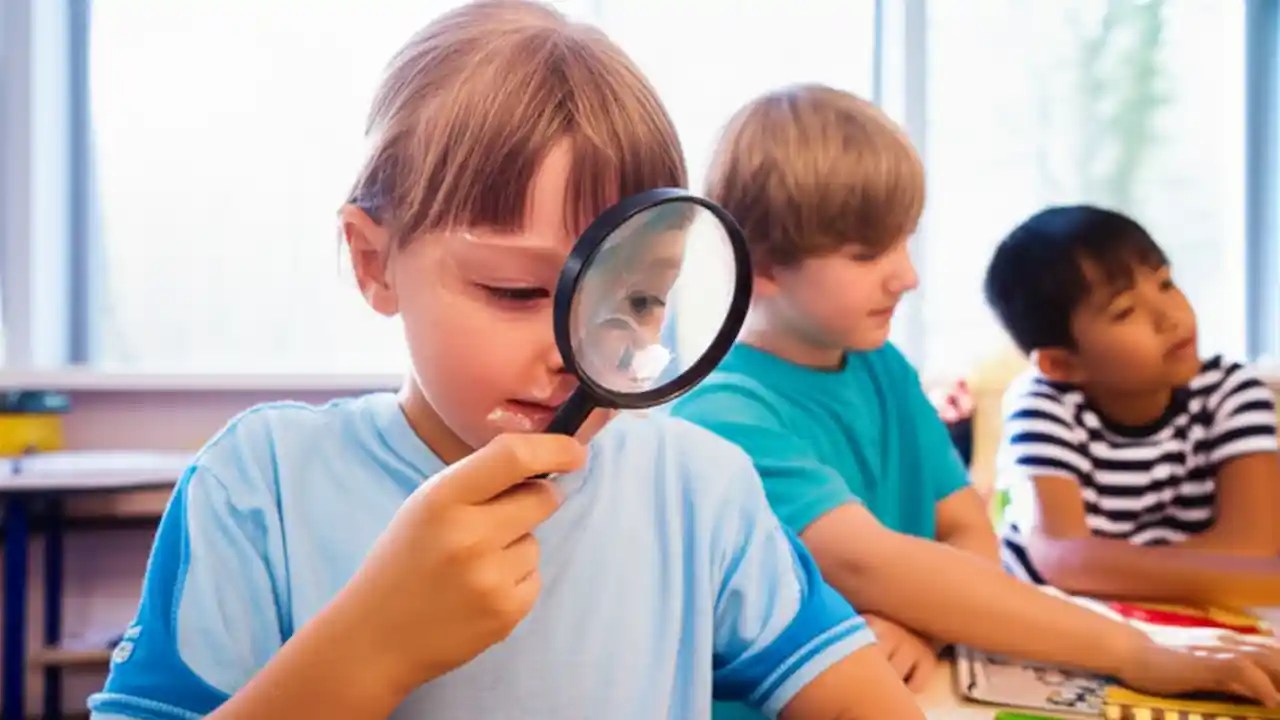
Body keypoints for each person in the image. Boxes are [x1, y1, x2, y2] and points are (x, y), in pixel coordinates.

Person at [86, 7, 922, 719]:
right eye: (518, 292)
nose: (578, 352)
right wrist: (369, 647)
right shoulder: (259, 487)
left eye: (637, 299)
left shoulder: (700, 489)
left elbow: (858, 700)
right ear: (375, 264)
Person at [668, 83, 1280, 719]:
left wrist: (924, 624)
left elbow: (967, 530)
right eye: (867, 254)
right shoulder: (724, 418)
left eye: (904, 240)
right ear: (763, 265)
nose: (907, 276)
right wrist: (1136, 653)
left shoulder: (881, 365)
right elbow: (874, 566)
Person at [984, 204, 1280, 605]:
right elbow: (1062, 558)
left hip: (1192, 619)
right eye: (1124, 311)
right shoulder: (1044, 404)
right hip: (1060, 614)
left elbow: (1255, 548)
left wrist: (1108, 568)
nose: (1170, 317)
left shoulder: (1231, 392)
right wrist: (1230, 572)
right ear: (1063, 364)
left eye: (1165, 284)